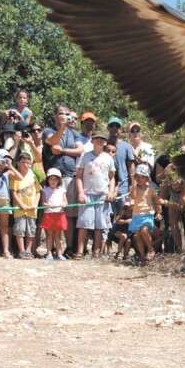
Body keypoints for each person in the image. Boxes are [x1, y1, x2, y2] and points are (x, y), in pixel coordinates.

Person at [43, 104, 84, 254]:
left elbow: (80, 150)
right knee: (52, 213)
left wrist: (64, 150)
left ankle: (69, 248)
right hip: (53, 179)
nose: (64, 116)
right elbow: (52, 143)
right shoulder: (48, 130)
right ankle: (51, 248)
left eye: (67, 114)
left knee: (69, 214)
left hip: (69, 177)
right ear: (55, 116)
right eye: (61, 113)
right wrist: (61, 128)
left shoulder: (74, 133)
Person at [74, 130, 115, 259]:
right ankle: (80, 251)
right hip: (88, 193)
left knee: (100, 225)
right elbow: (79, 176)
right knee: (84, 224)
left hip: (102, 194)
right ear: (92, 141)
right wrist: (80, 192)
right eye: (97, 139)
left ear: (105, 142)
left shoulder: (108, 158)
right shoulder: (85, 156)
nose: (100, 141)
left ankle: (96, 252)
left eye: (102, 139)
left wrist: (111, 191)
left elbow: (112, 178)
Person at [128, 164, 161, 263]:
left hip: (147, 215)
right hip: (137, 215)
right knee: (137, 236)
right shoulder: (133, 188)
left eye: (141, 177)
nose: (139, 179)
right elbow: (133, 197)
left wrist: (158, 212)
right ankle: (142, 256)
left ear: (147, 178)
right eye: (137, 176)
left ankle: (151, 249)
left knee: (144, 229)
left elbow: (157, 202)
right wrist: (133, 184)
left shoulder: (151, 189)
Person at [11, 153, 40, 259]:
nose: (25, 165)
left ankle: (28, 250)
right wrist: (21, 204)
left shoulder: (33, 176)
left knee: (31, 230)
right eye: (23, 162)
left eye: (28, 163)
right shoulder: (15, 176)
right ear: (18, 163)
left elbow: (38, 191)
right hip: (20, 209)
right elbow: (13, 192)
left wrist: (35, 204)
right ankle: (22, 251)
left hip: (32, 209)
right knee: (20, 229)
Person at [106, 117, 136, 217]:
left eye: (117, 126)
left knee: (123, 215)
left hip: (123, 186)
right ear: (108, 128)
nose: (114, 128)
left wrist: (132, 184)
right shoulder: (103, 144)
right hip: (105, 187)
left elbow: (131, 166)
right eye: (112, 126)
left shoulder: (126, 146)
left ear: (120, 129)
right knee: (107, 217)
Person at [159, 165, 185, 253]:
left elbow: (180, 205)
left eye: (177, 183)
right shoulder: (166, 183)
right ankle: (180, 250)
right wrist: (159, 208)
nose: (175, 185)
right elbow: (160, 198)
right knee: (173, 223)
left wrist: (165, 202)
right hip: (174, 199)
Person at [41, 167, 68, 260]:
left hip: (59, 214)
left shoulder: (62, 189)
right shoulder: (45, 190)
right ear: (47, 180)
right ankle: (49, 253)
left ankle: (59, 253)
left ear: (59, 180)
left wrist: (63, 204)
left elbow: (65, 202)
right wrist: (47, 204)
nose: (53, 181)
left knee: (58, 235)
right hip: (49, 214)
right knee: (49, 235)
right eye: (51, 178)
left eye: (55, 179)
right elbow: (43, 202)